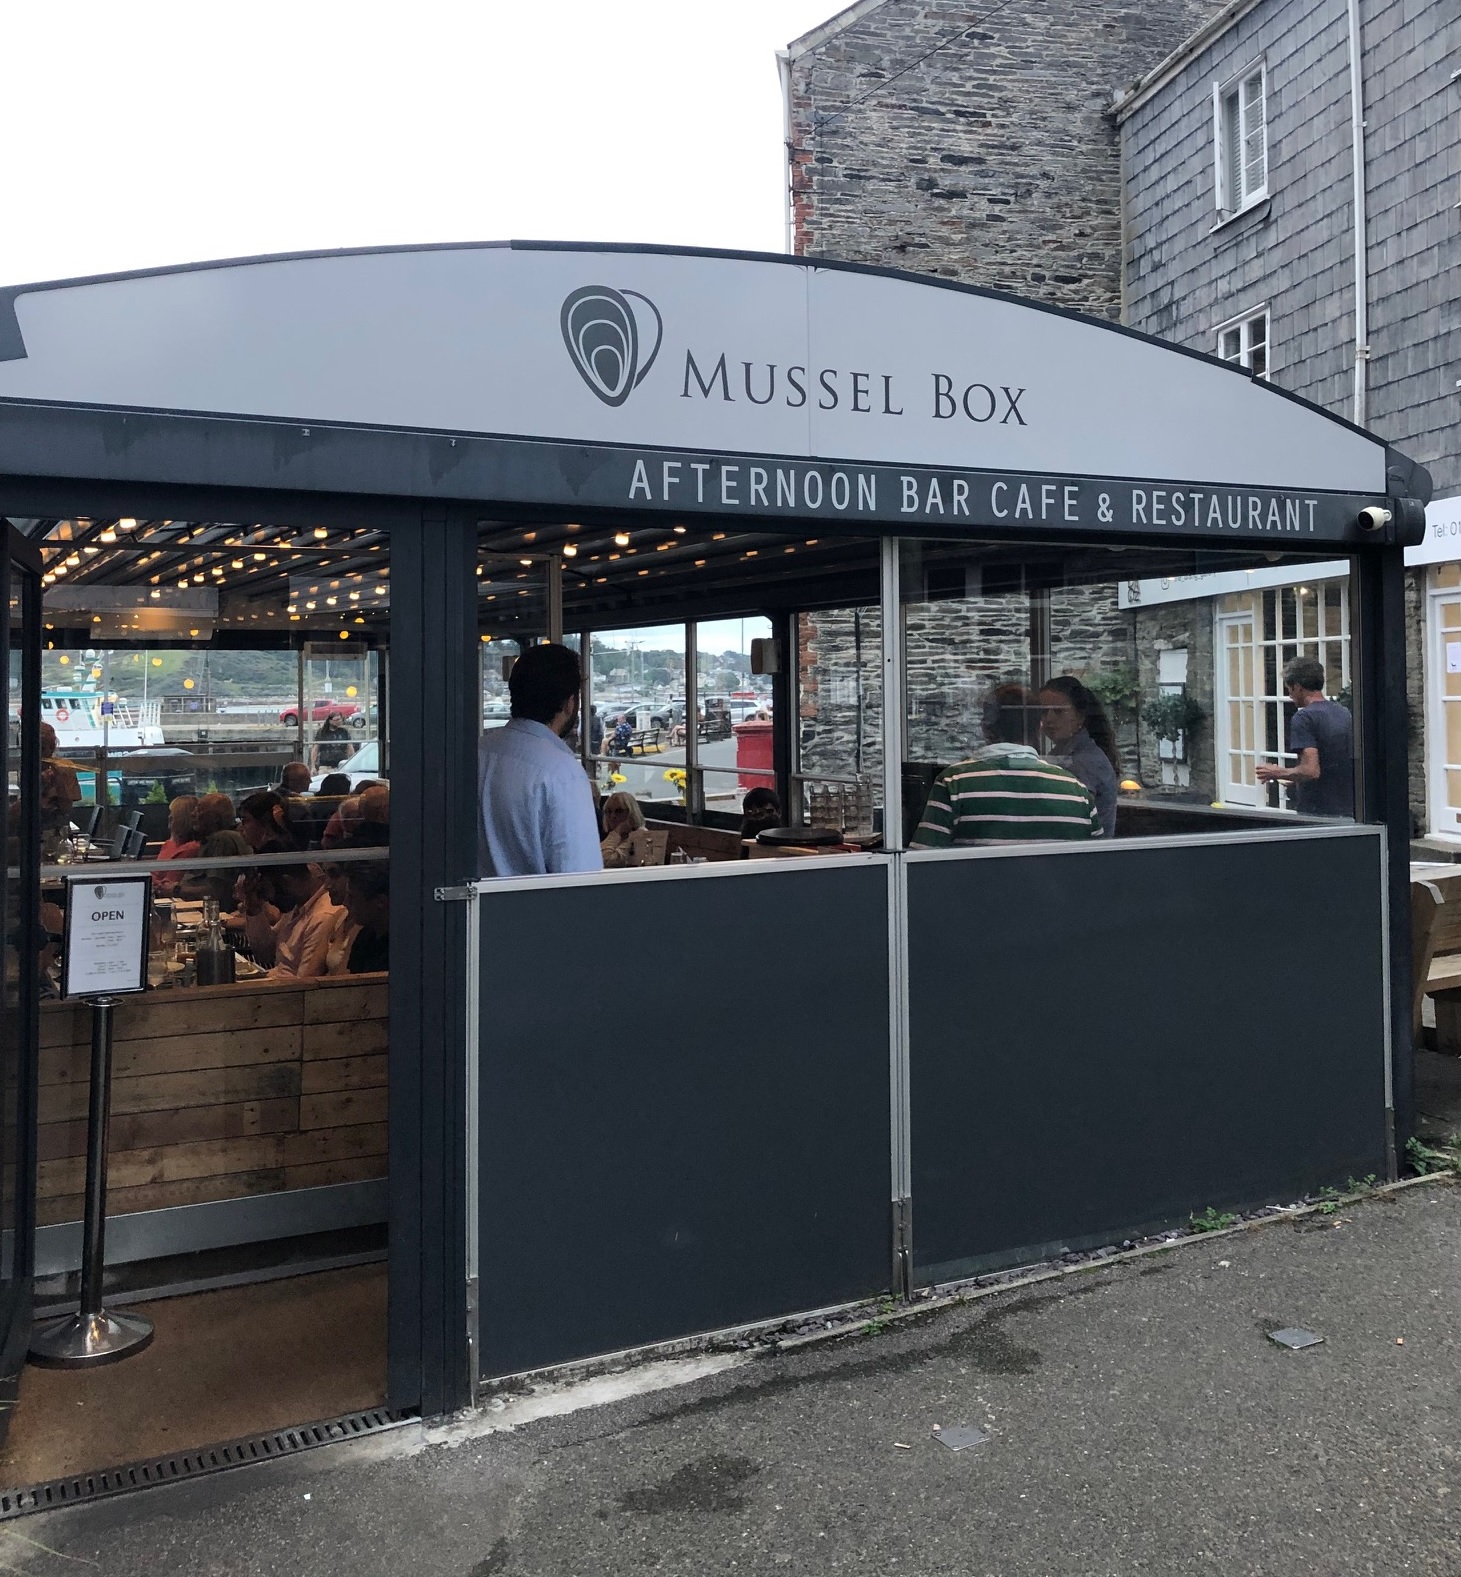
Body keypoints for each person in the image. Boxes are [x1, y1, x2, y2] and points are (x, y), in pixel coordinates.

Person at [911, 683, 1101, 847]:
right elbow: (1097, 861)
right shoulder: (1076, 790)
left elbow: (921, 862)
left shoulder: (954, 783)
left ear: (986, 728)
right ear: (1039, 727)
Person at [478, 643, 602, 877]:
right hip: (532, 902)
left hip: (464, 901)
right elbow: (580, 880)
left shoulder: (477, 753)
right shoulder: (563, 774)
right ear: (570, 702)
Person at [1255, 656, 1355, 817]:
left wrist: (1277, 772)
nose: (1289, 695)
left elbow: (1311, 771)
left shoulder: (1304, 718)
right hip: (1348, 806)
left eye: (1289, 689)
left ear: (1298, 687)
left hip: (1318, 810)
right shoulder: (1343, 712)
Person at [1037, 675, 1120, 839]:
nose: (1049, 719)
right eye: (1044, 711)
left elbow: (1070, 821)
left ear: (1080, 717)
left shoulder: (1085, 761)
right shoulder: (1062, 754)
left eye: (1059, 711)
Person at [241, 862, 340, 979]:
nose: (273, 902)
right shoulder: (298, 905)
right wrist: (254, 907)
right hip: (275, 980)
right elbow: (266, 953)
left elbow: (305, 982)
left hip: (286, 987)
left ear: (286, 882)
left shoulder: (321, 916)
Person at [177, 792, 252, 905]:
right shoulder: (215, 839)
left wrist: (176, 890)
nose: (193, 814)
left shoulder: (222, 839)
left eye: (200, 810)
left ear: (215, 818)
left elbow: (214, 891)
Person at [343, 857, 390, 973]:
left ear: (380, 902)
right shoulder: (365, 936)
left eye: (352, 897)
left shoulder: (406, 948)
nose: (345, 903)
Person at [39, 722, 82, 841]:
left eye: (43, 747)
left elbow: (65, 809)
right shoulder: (60, 767)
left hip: (53, 832)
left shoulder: (62, 768)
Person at [153, 795, 201, 894]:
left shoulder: (190, 849)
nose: (169, 817)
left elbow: (167, 886)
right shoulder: (170, 843)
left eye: (173, 814)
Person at [599, 790, 646, 868]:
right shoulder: (618, 836)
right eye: (609, 811)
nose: (612, 816)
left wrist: (616, 833)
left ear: (631, 813)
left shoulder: (640, 836)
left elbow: (604, 860)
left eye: (619, 811)